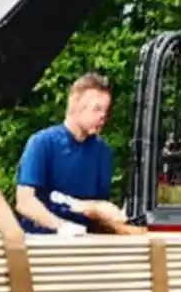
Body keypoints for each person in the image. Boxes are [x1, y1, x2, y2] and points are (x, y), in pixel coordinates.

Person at [13, 72, 130, 235]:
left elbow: (96, 208)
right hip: (41, 245)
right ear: (74, 103)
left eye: (105, 110)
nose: (103, 116)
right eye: (96, 108)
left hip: (86, 247)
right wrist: (61, 226)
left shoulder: (103, 152)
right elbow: (25, 202)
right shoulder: (42, 143)